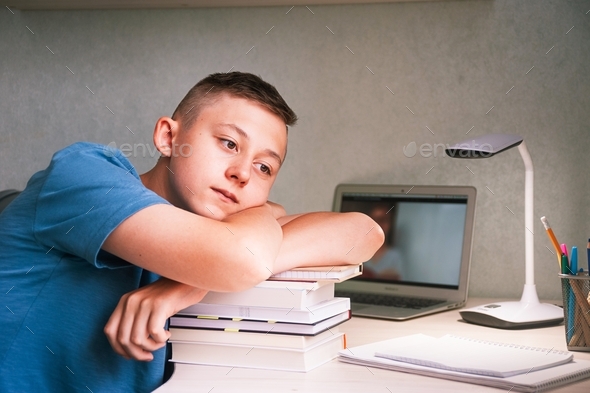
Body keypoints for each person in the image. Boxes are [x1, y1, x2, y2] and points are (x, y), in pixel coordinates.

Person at [0, 72, 384, 392]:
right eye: (229, 143)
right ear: (168, 137)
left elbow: (364, 232)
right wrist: (249, 234)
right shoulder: (82, 174)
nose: (243, 173)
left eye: (265, 168)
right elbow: (243, 257)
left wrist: (186, 285)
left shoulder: (213, 226)